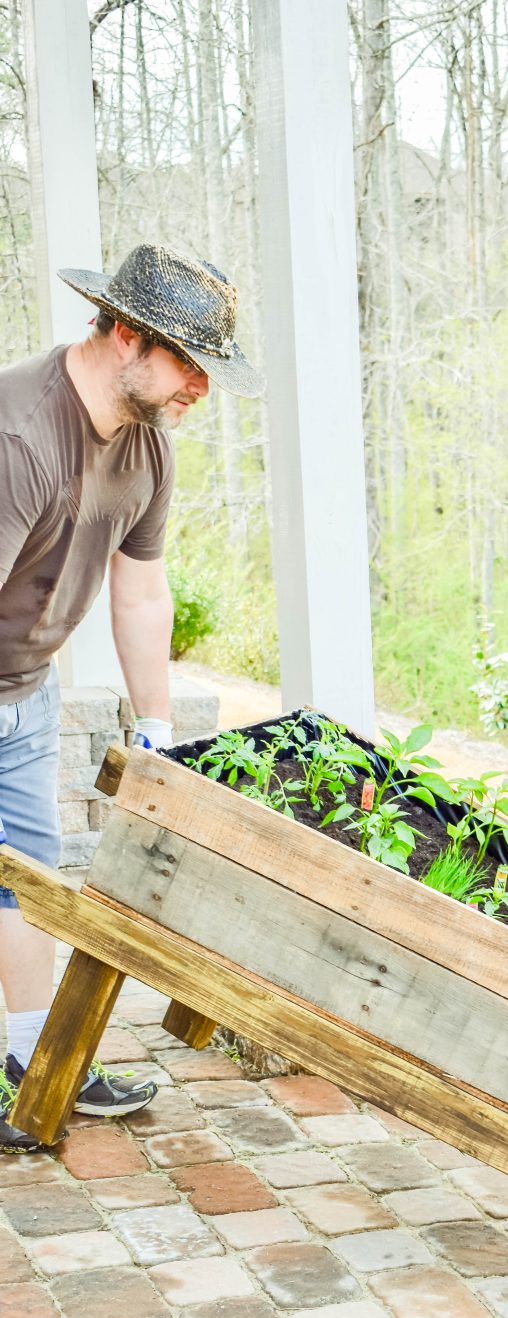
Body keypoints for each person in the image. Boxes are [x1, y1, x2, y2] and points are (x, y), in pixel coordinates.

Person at [0, 243, 263, 1153]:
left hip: (24, 694)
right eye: (190, 363)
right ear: (123, 336)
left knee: (25, 889)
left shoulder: (146, 447)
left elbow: (141, 591)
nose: (201, 387)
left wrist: (154, 725)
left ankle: (38, 1064)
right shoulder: (20, 436)